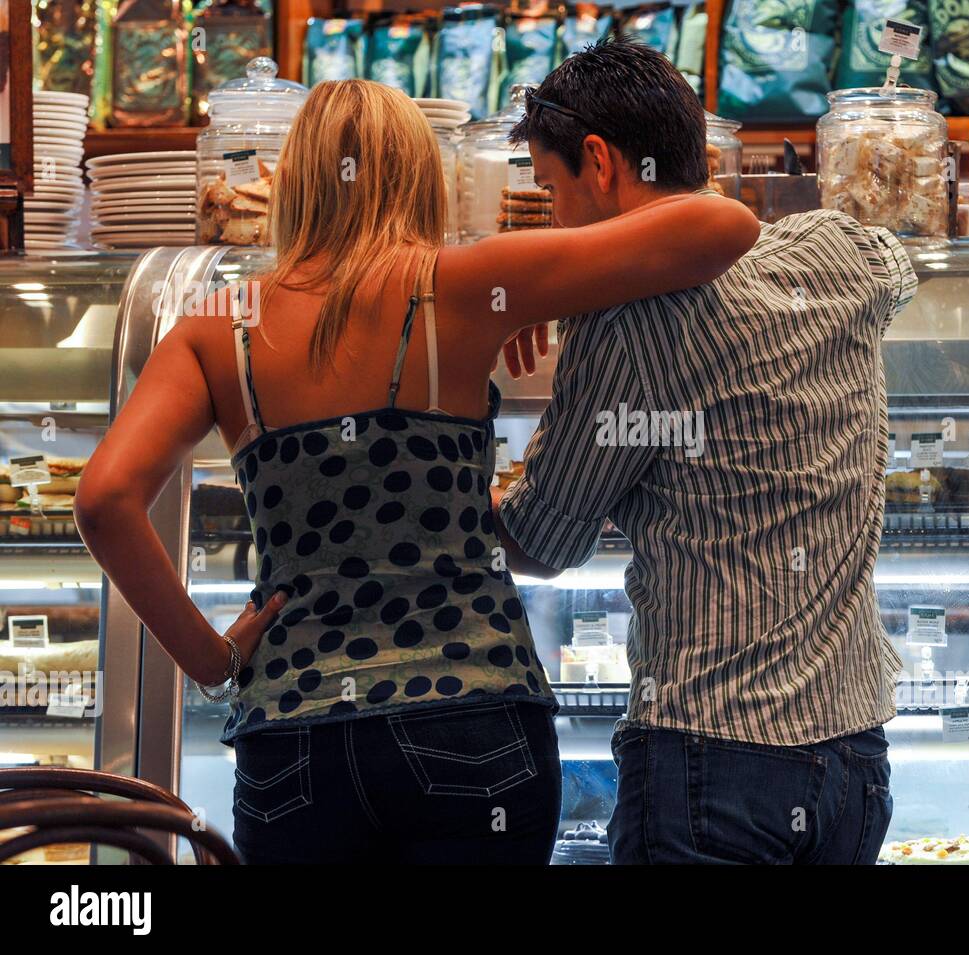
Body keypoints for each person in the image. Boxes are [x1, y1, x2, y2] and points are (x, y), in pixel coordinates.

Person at [75, 77, 759, 864]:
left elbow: (104, 500)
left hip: (297, 739)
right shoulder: (462, 286)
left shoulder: (217, 328)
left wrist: (209, 657)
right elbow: (722, 224)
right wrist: (521, 301)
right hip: (472, 720)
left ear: (293, 182)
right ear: (421, 176)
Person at [494, 38, 919, 865]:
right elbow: (898, 265)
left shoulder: (627, 322)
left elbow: (542, 541)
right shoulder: (839, 251)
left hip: (709, 762)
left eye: (550, 194)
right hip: (854, 764)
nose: (551, 225)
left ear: (600, 161)